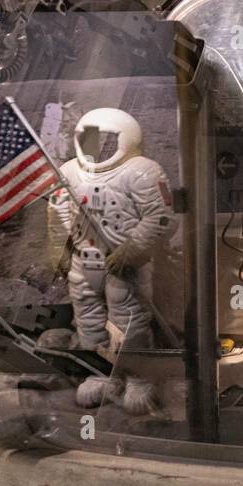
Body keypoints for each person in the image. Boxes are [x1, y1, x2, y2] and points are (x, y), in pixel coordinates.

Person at [48, 107, 175, 350]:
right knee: (87, 318)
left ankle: (137, 378)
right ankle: (100, 374)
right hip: (83, 260)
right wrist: (60, 253)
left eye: (106, 138)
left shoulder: (141, 171)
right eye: (90, 138)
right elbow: (58, 217)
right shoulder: (69, 172)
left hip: (125, 263)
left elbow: (162, 218)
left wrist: (131, 252)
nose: (97, 145)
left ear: (126, 138)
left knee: (129, 319)